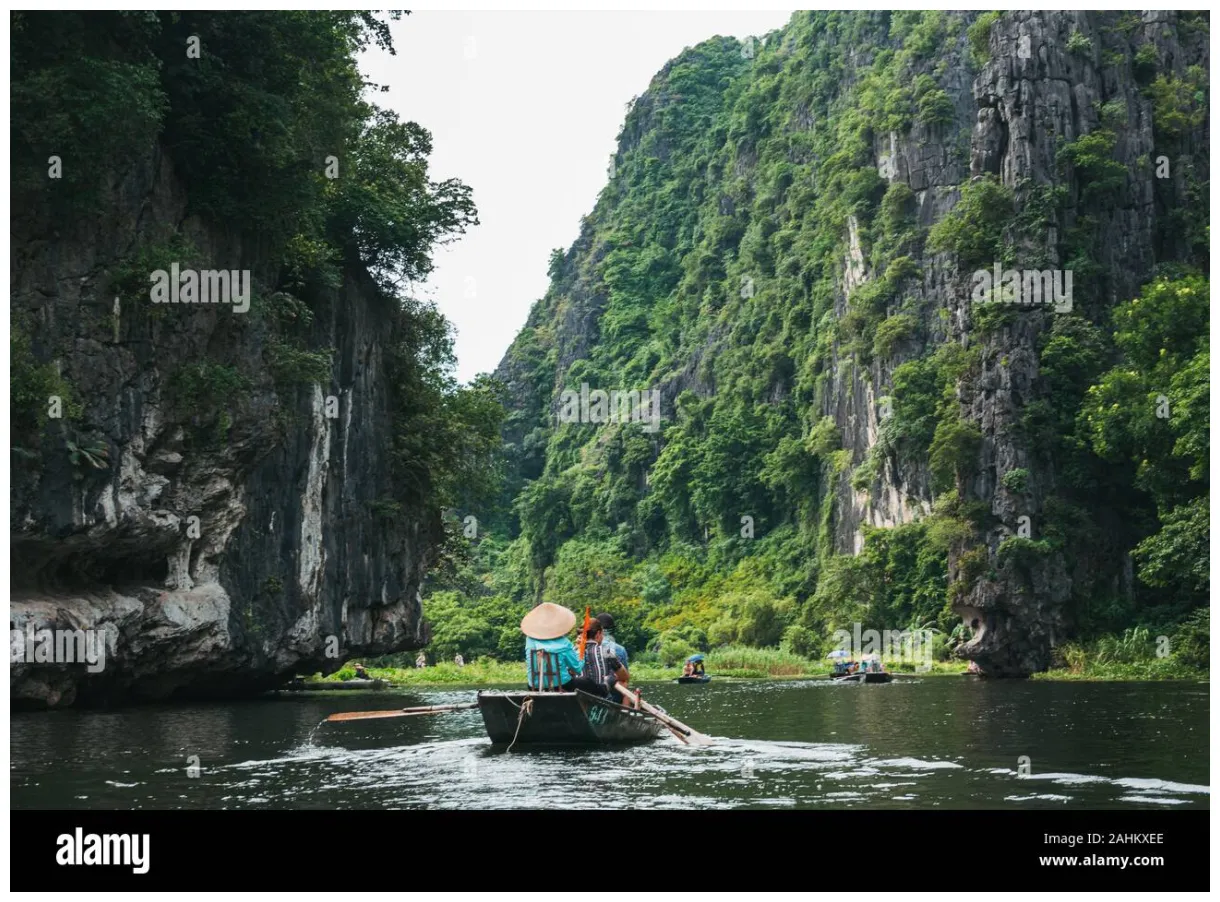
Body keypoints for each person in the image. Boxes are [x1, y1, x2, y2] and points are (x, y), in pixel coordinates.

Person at [521, 602, 600, 693]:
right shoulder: (564, 643)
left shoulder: (529, 640)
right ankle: (606, 692)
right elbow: (577, 668)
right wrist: (580, 652)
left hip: (533, 686)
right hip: (562, 685)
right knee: (588, 682)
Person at [582, 621, 632, 704]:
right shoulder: (606, 652)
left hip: (581, 698)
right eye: (602, 634)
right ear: (598, 634)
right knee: (623, 683)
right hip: (602, 699)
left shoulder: (574, 651)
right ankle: (623, 711)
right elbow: (624, 676)